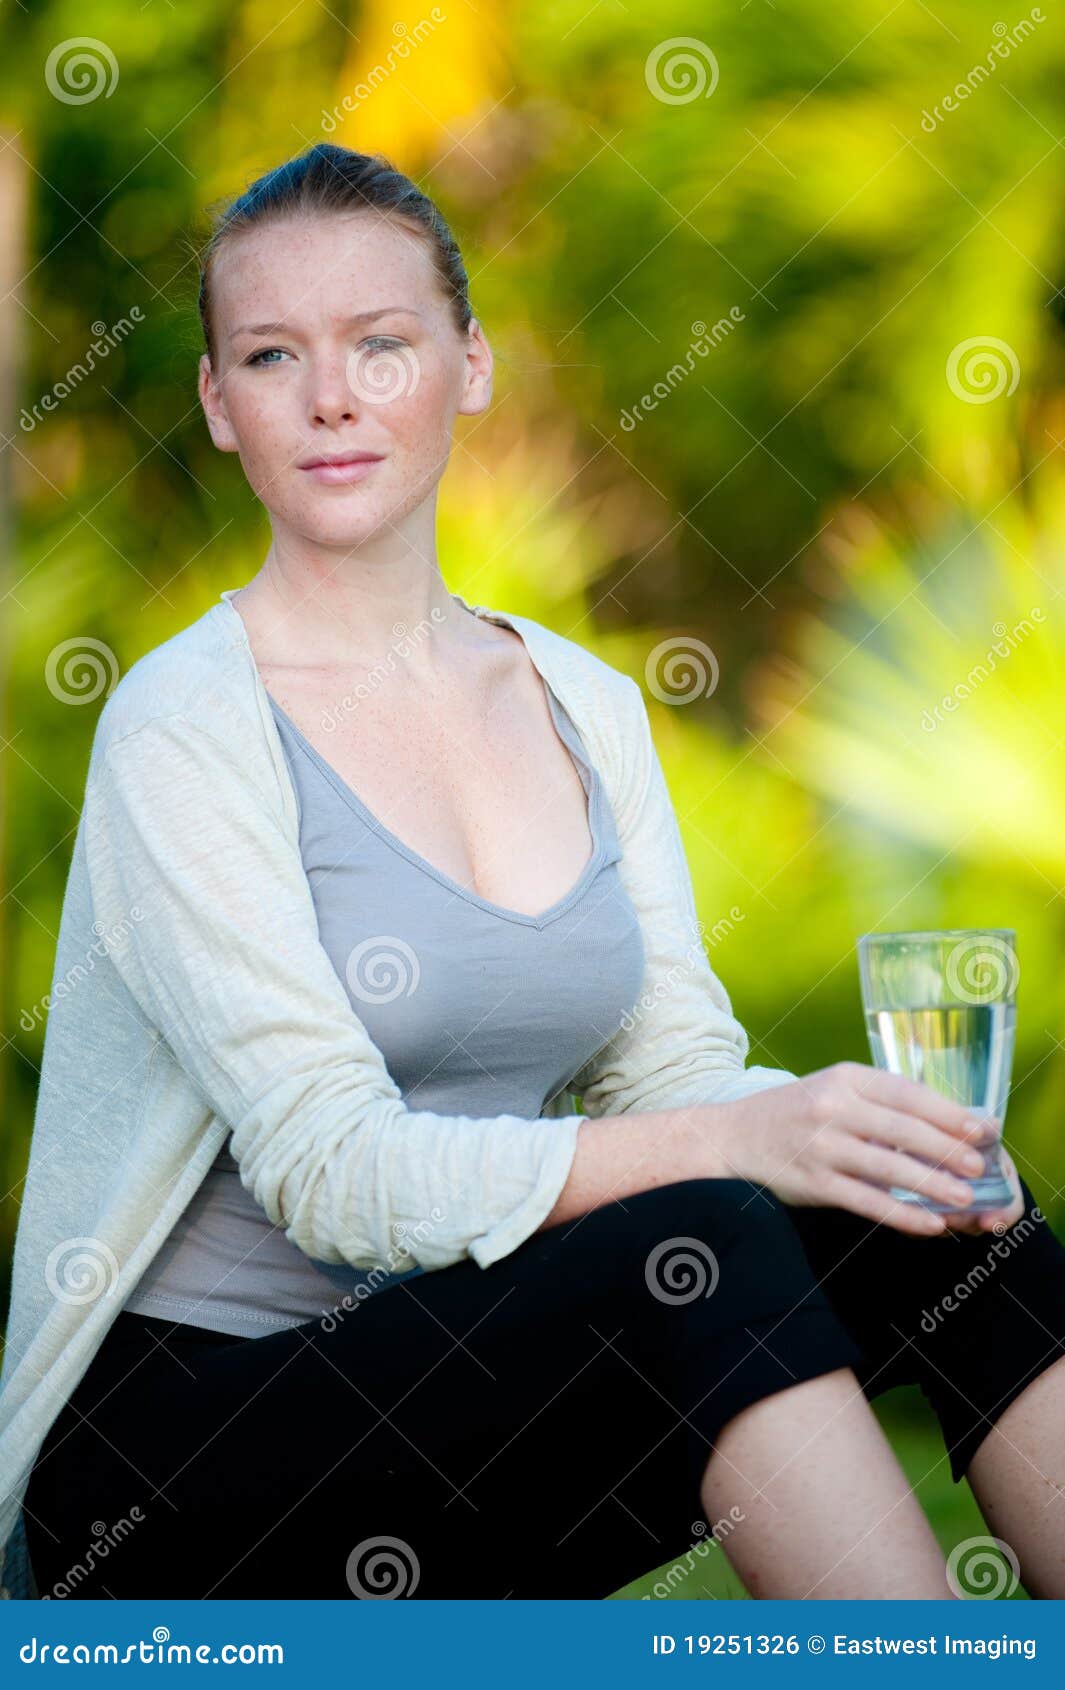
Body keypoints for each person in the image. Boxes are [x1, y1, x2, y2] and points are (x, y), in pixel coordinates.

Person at [7, 143, 1065, 1602]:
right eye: (270, 355)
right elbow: (331, 1172)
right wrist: (738, 1150)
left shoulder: (578, 698)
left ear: (471, 363)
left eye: (381, 345)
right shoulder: (185, 724)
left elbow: (673, 1076)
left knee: (950, 1222)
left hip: (459, 1378)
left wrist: (854, 1130)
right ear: (217, 404)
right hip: (180, 1459)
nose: (331, 397)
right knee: (705, 1234)